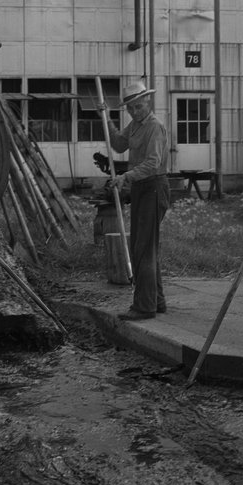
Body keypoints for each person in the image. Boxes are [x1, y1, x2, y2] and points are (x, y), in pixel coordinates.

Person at [107, 80, 170, 321]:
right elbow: (118, 145)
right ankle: (157, 301)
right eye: (130, 108)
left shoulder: (154, 127)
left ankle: (144, 307)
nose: (135, 111)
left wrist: (126, 176)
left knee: (143, 248)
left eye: (139, 106)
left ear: (148, 102)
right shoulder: (134, 126)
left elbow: (153, 163)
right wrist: (107, 120)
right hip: (141, 189)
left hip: (154, 187)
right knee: (145, 247)